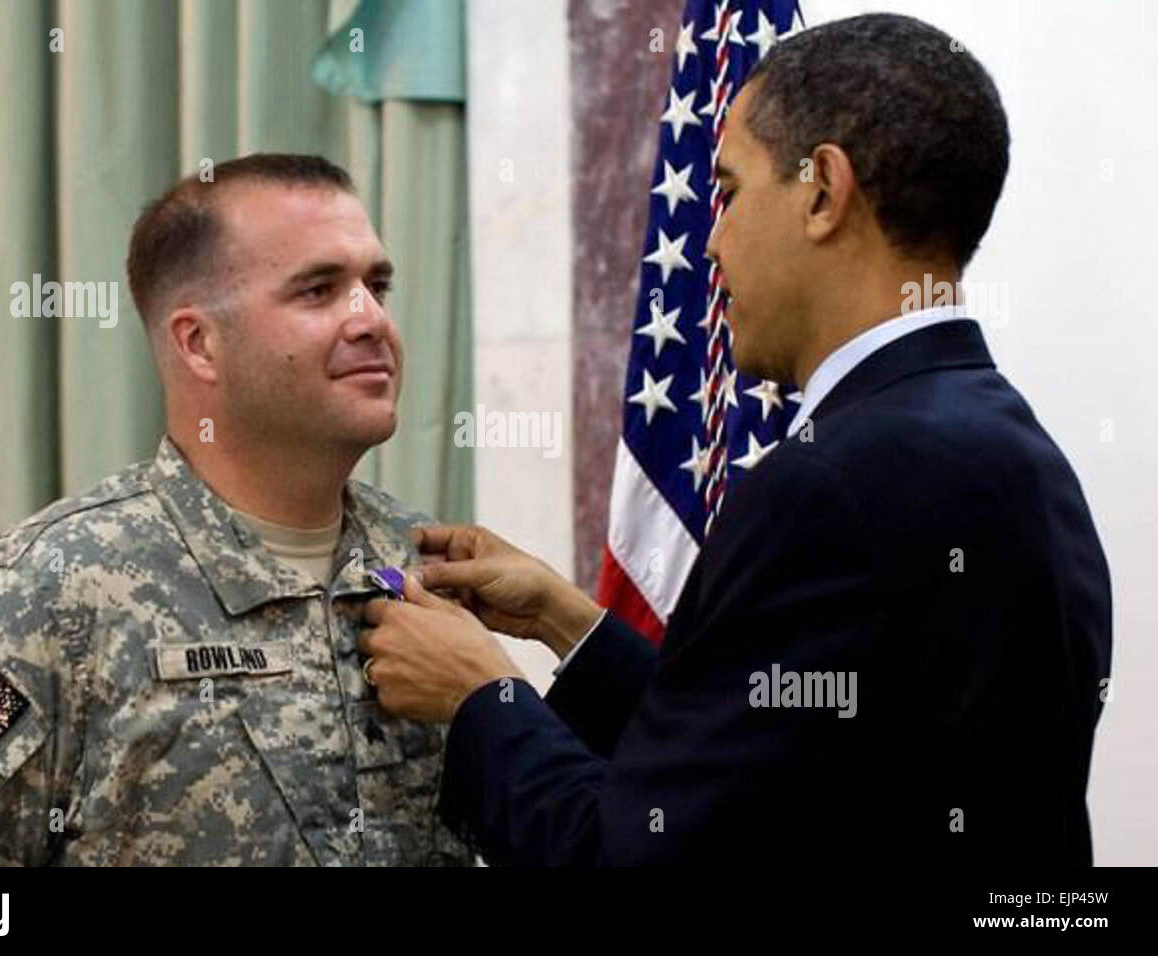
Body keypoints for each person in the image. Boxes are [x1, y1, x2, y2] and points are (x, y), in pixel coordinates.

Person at [359, 15, 1112, 866]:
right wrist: (571, 625)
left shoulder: (831, 482)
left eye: (729, 191)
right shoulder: (1015, 450)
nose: (710, 241)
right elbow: (791, 765)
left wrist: (476, 698)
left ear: (823, 191)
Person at [0, 154, 471, 866]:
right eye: (318, 290)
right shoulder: (48, 591)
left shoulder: (422, 563)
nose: (371, 319)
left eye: (377, 285)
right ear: (198, 343)